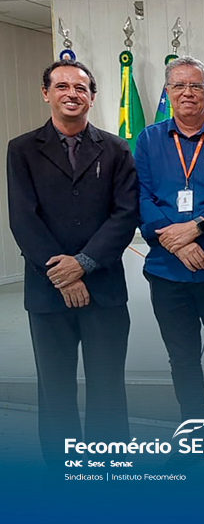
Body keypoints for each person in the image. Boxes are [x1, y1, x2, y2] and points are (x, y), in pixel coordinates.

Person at [7, 59, 139, 470]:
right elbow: (23, 219)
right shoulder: (21, 149)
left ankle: (107, 470)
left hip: (104, 291)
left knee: (108, 389)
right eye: (62, 86)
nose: (72, 94)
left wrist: (83, 264)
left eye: (80, 88)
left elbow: (125, 215)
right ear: (46, 93)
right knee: (56, 391)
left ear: (92, 98)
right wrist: (62, 276)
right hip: (47, 293)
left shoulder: (116, 149)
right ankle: (64, 474)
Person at [134, 56, 204, 473]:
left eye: (195, 86)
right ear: (167, 92)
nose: (187, 93)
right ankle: (195, 437)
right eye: (179, 85)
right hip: (167, 271)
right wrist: (177, 243)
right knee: (182, 360)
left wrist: (196, 228)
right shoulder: (148, 140)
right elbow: (140, 197)